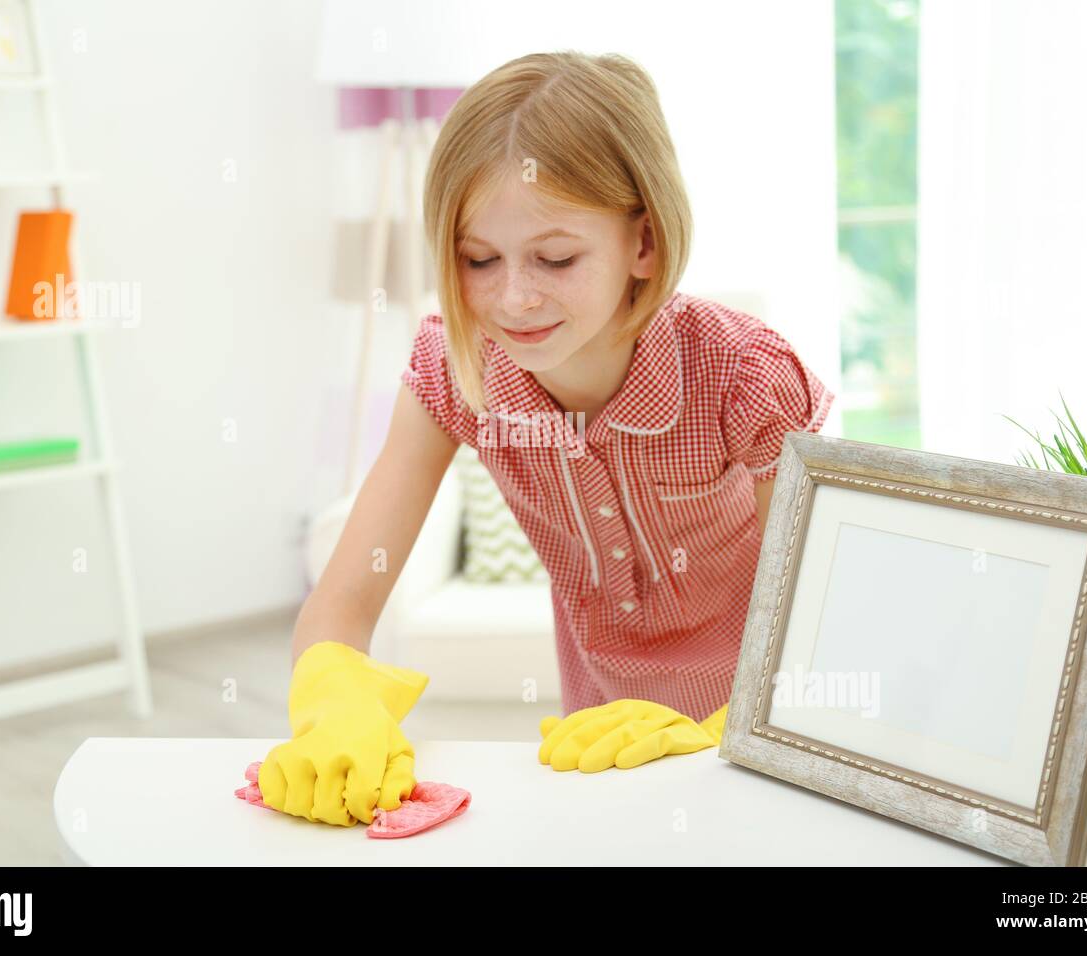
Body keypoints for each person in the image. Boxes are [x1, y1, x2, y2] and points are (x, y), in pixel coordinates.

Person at [260, 50, 836, 825]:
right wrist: (334, 704)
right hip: (595, 740)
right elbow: (340, 605)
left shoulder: (743, 375)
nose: (514, 297)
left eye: (556, 257)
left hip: (759, 737)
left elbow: (822, 619)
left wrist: (731, 730)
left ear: (645, 243)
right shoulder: (454, 371)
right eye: (478, 259)